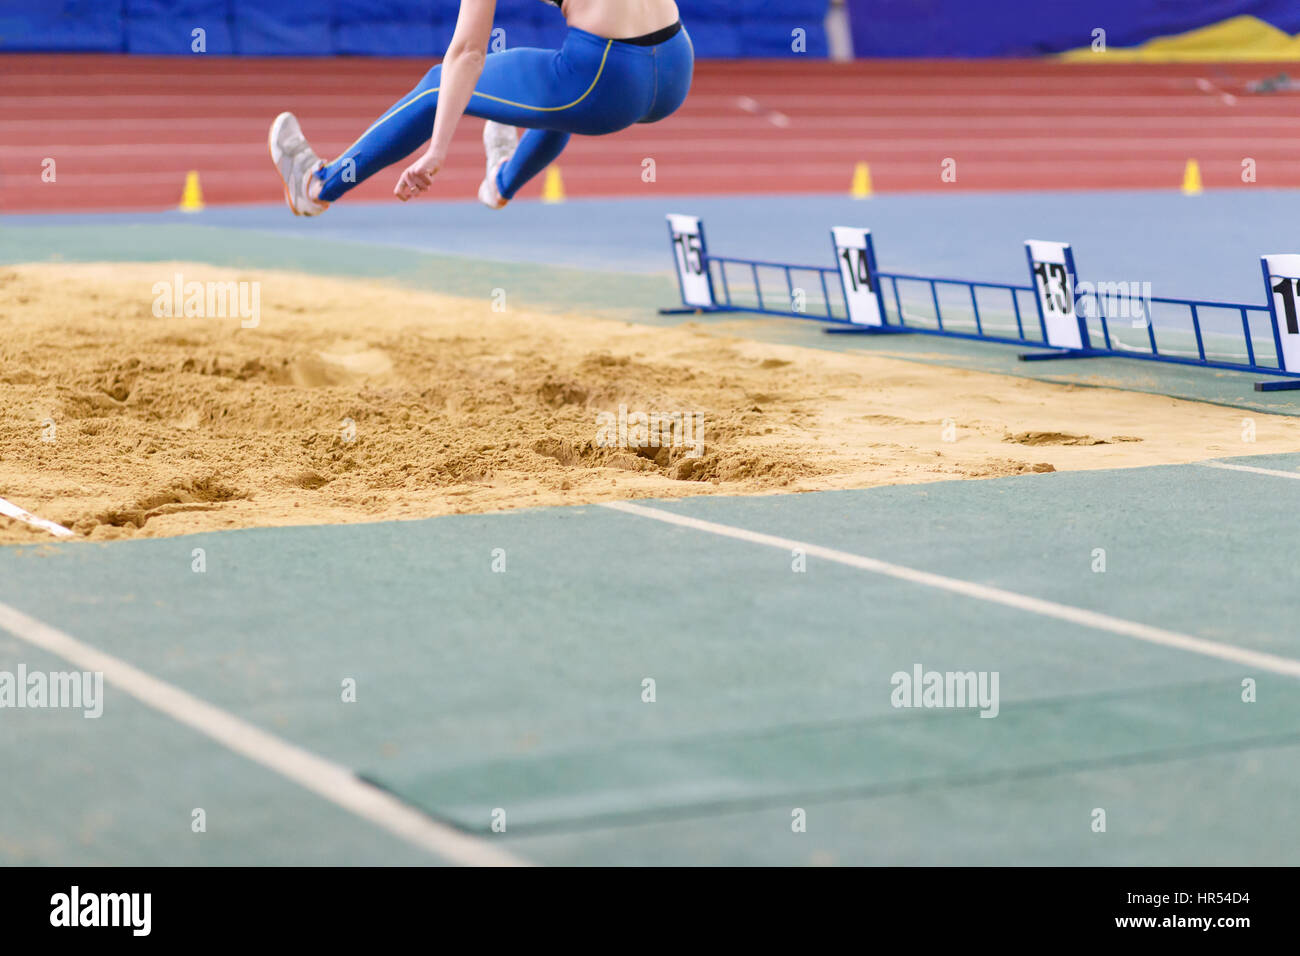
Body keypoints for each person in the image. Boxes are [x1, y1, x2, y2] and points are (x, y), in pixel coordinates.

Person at [269, 0, 691, 215]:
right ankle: (500, 183)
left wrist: (436, 150)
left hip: (604, 84)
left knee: (439, 85)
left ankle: (317, 188)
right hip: (676, 67)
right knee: (556, 84)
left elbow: (468, 55)